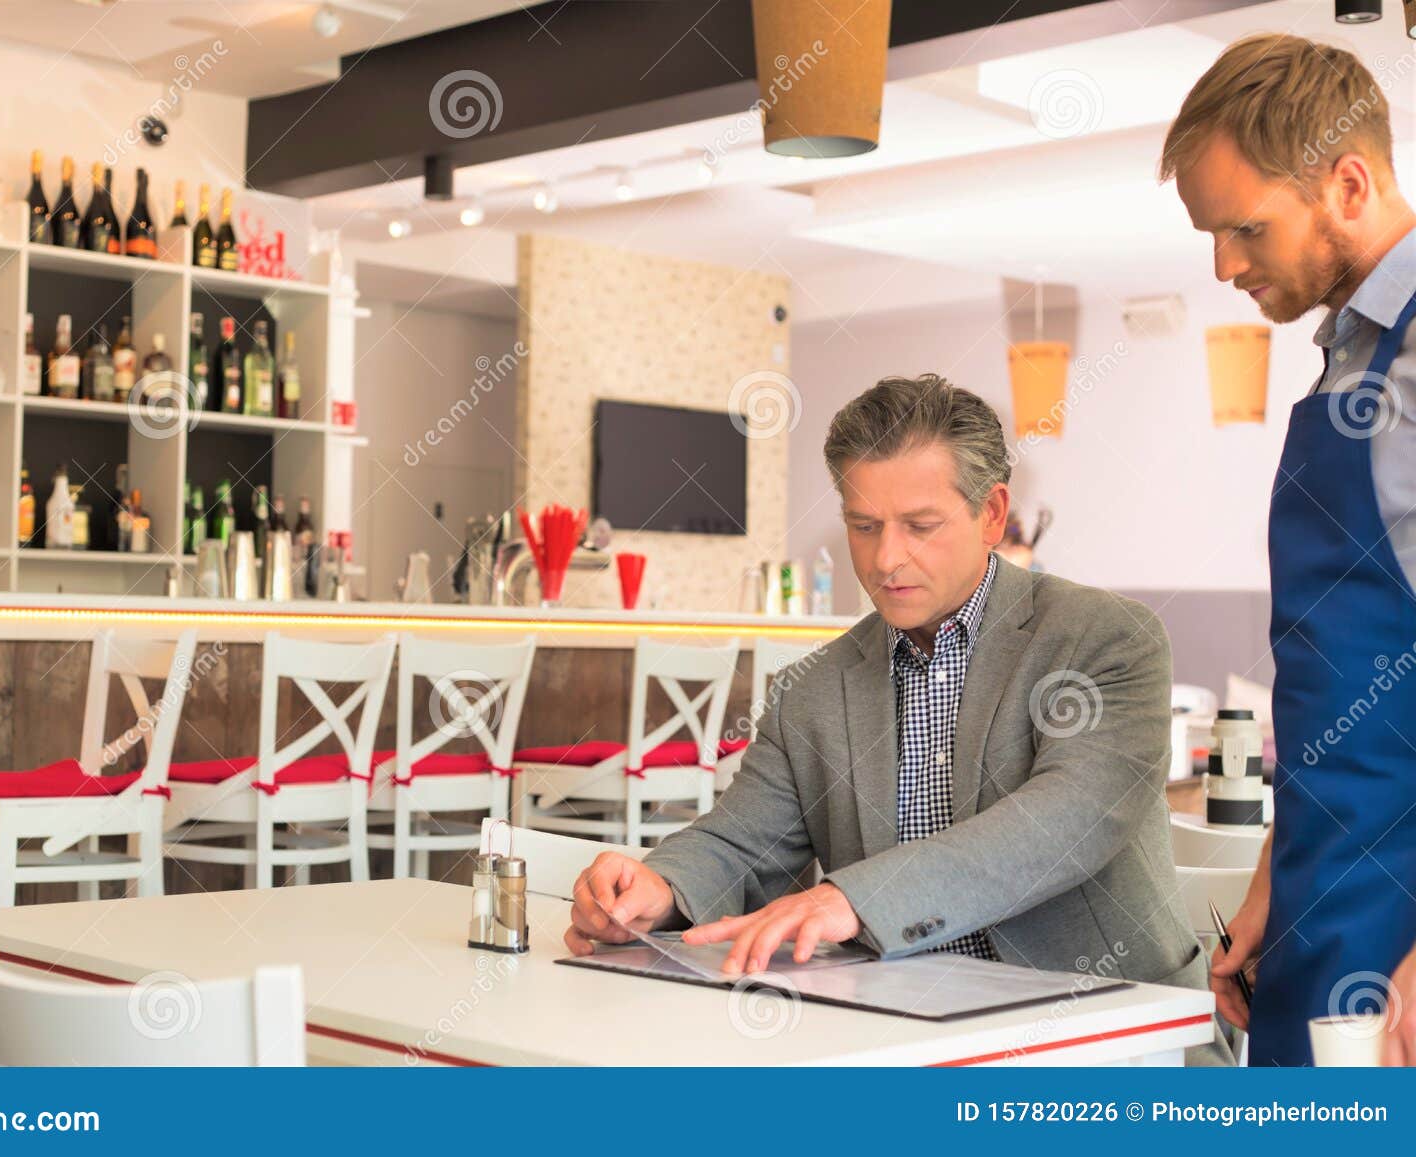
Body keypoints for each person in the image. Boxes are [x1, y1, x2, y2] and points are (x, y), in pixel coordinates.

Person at [566, 374, 1231, 1065]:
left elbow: (1061, 824)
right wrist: (659, 886)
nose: (886, 559)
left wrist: (850, 899)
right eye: (863, 526)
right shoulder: (812, 688)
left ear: (993, 513)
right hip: (904, 1042)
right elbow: (741, 842)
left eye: (920, 526)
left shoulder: (1107, 638)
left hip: (1117, 1043)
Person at [1162, 33, 1416, 1067]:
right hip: (1327, 902)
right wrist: (1281, 870)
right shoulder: (1346, 358)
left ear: (1346, 184)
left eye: (1244, 227)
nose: (1223, 265)